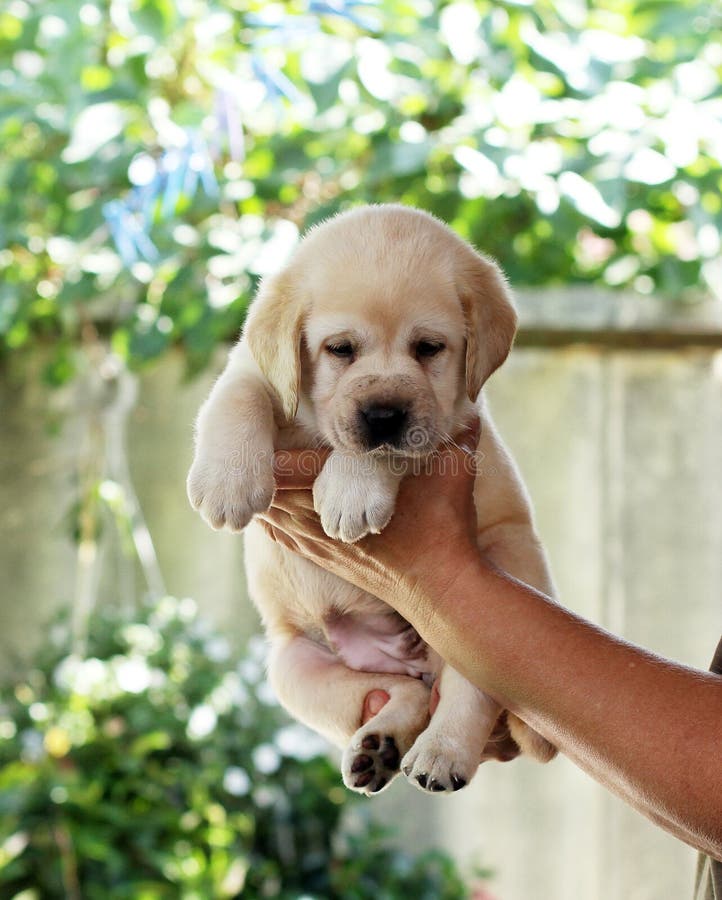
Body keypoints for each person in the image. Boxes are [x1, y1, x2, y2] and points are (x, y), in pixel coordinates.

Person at [258, 424, 722, 897]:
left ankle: (451, 722)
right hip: (334, 634)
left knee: (476, 636)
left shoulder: (442, 418)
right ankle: (403, 712)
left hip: (444, 628)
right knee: (287, 667)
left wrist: (443, 588)